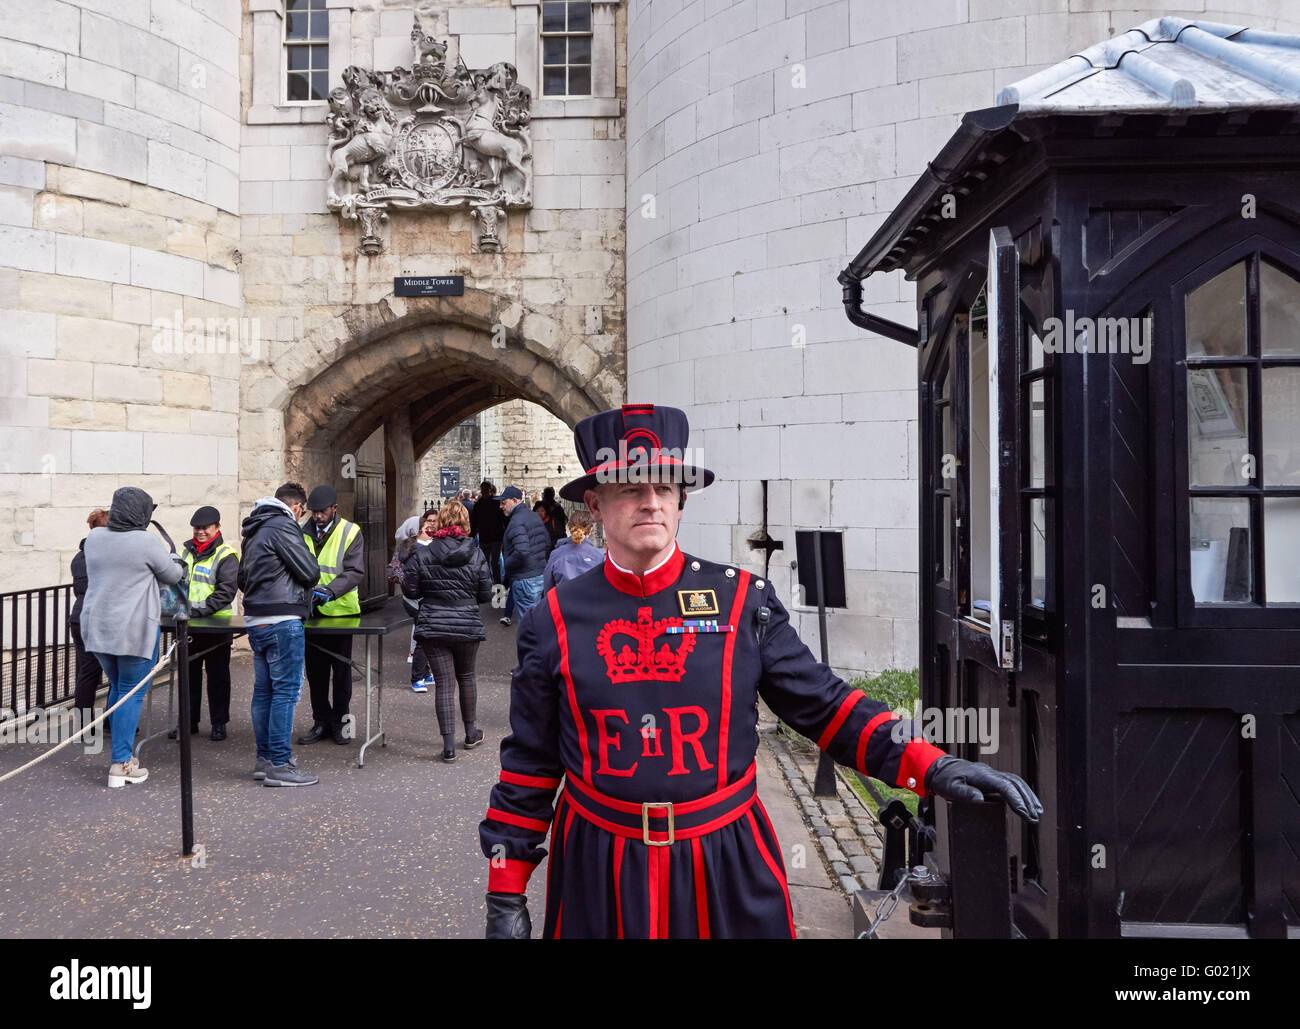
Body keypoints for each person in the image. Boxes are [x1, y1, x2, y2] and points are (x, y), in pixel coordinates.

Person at [479, 403, 1043, 938]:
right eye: (630, 489)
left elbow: (823, 705)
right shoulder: (553, 618)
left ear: (680, 502)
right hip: (600, 867)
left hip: (725, 862)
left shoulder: (743, 601)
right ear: (597, 505)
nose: (650, 502)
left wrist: (932, 764)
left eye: (664, 488)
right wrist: (505, 892)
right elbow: (531, 761)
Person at [80, 487, 183, 789]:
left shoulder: (95, 538)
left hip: (98, 628)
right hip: (133, 629)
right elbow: (173, 575)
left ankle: (121, 757)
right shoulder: (146, 541)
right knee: (130, 692)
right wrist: (176, 559)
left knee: (120, 688)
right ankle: (120, 764)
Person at [239, 482, 321, 787]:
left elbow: (241, 579)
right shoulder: (283, 526)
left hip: (256, 618)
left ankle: (264, 759)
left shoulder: (253, 529)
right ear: (297, 507)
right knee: (285, 692)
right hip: (283, 619)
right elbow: (309, 571)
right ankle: (279, 763)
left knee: (264, 692)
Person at [402, 500, 493, 762]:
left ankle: (448, 746)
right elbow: (486, 594)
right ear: (465, 524)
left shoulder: (424, 554)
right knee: (466, 677)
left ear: (440, 522)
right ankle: (471, 732)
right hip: (466, 623)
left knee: (443, 683)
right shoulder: (475, 554)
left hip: (433, 624)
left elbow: (411, 590)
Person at [299, 485, 364, 746]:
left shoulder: (351, 532)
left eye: (322, 512)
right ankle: (321, 722)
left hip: (341, 612)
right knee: (315, 671)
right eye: (313, 512)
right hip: (311, 613)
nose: (317, 516)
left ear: (334, 509)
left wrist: (329, 591)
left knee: (341, 672)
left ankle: (340, 723)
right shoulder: (301, 531)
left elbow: (354, 571)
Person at [169, 506, 239, 742]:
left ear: (217, 527)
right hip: (189, 624)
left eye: (205, 528)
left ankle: (219, 723)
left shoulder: (227, 555)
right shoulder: (185, 551)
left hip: (217, 625)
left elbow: (225, 592)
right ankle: (189, 723)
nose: (200, 532)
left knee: (218, 675)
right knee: (189, 675)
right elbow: (177, 584)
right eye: (197, 528)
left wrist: (196, 610)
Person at [69, 507, 110, 730]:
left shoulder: (80, 556)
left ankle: (83, 726)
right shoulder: (100, 556)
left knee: (88, 673)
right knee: (114, 671)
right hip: (96, 618)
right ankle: (112, 720)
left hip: (79, 618)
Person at [393, 513, 434, 693]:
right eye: (426, 528)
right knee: (424, 638)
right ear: (417, 532)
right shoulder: (414, 550)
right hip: (416, 600)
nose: (431, 530)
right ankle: (418, 677)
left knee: (427, 637)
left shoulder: (416, 547)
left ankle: (424, 673)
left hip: (418, 599)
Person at [498, 485, 549, 629]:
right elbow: (546, 542)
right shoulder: (533, 516)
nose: (501, 506)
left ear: (514, 500)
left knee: (528, 627)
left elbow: (521, 551)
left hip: (525, 578)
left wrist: (507, 563)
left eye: (503, 502)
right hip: (537, 575)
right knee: (535, 622)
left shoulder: (516, 521)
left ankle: (532, 651)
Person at [542, 509, 603, 590]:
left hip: (562, 600)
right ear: (591, 529)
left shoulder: (556, 554)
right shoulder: (601, 556)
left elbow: (548, 586)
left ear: (569, 527)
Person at [469, 480, 505, 585]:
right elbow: (475, 521)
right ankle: (494, 583)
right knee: (492, 562)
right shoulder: (492, 502)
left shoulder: (481, 503)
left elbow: (474, 522)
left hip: (491, 537)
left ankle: (492, 583)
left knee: (492, 562)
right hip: (492, 537)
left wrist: (472, 534)